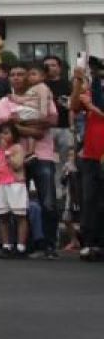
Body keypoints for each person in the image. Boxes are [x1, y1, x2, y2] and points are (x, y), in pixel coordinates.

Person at [0, 63, 59, 258]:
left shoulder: (40, 93)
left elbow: (52, 120)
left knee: (47, 202)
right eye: (13, 75)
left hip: (42, 155)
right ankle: (24, 244)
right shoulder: (6, 101)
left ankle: (49, 245)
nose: (16, 78)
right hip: (15, 159)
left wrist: (19, 124)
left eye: (21, 74)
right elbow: (5, 125)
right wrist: (33, 129)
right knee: (18, 204)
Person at [71, 57, 104, 261]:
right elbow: (74, 106)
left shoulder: (94, 98)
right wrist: (77, 81)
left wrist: (91, 106)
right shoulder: (93, 92)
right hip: (91, 154)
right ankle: (91, 242)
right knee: (90, 200)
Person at [0, 122, 29, 258]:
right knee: (3, 216)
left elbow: (17, 165)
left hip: (15, 184)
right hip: (1, 184)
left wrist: (8, 154)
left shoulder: (17, 148)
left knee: (20, 215)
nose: (4, 136)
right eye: (2, 133)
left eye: (7, 133)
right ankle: (6, 245)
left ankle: (20, 246)